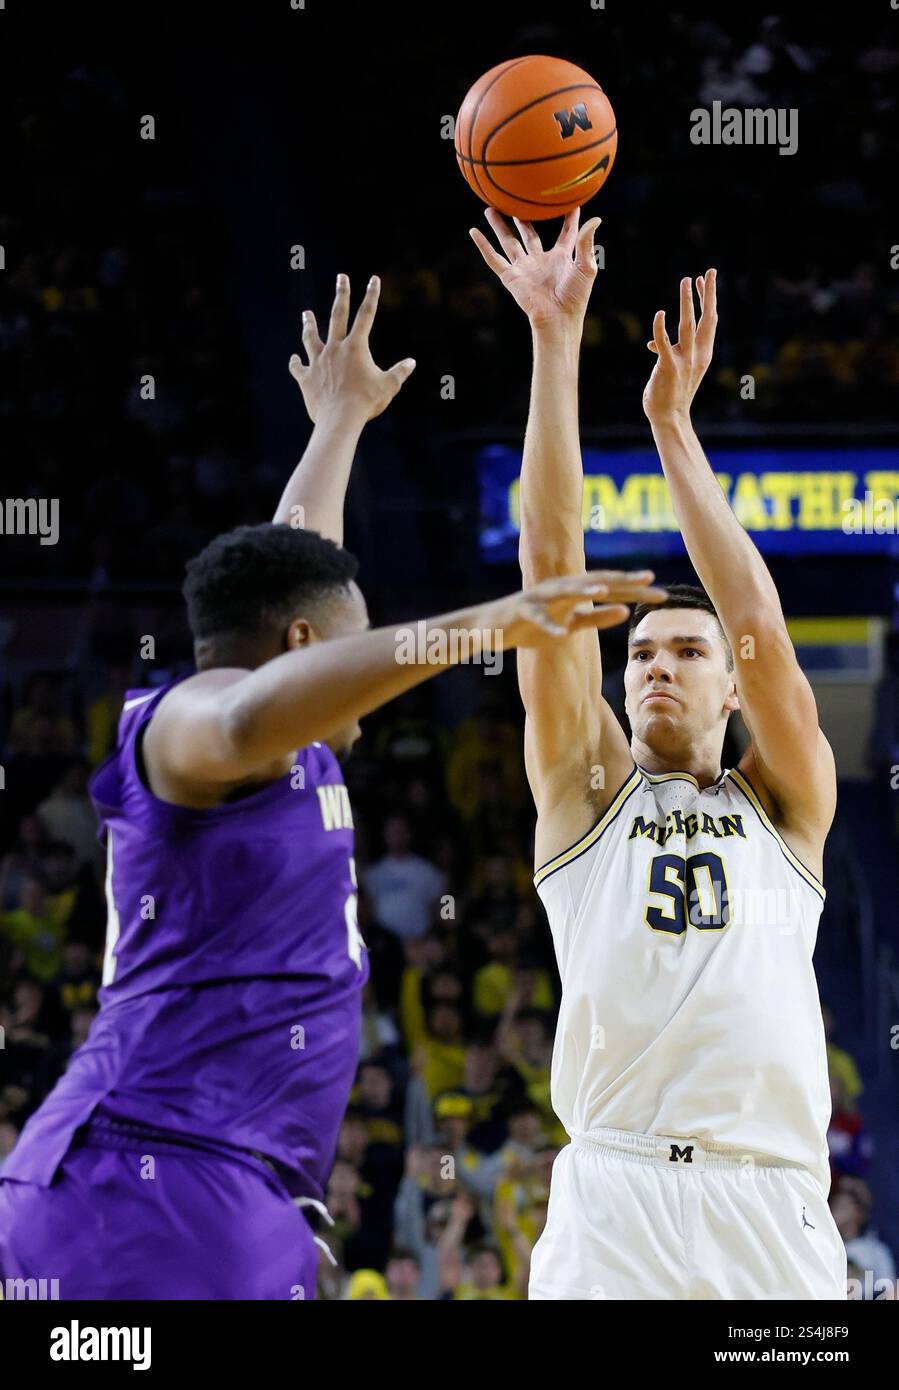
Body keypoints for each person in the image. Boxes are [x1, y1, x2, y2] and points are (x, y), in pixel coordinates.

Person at [0, 272, 655, 1300]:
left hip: (231, 1190)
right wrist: (486, 623)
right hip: (139, 1180)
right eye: (351, 649)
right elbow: (258, 702)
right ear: (304, 648)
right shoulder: (185, 725)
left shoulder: (289, 732)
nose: (367, 682)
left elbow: (293, 574)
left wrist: (339, 423)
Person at [471, 207, 846, 1300]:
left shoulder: (784, 804)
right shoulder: (583, 795)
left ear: (726, 685)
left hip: (772, 1199)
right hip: (614, 1199)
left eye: (686, 652)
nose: (655, 668)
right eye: (638, 654)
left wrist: (673, 427)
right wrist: (553, 338)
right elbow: (549, 570)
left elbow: (759, 628)